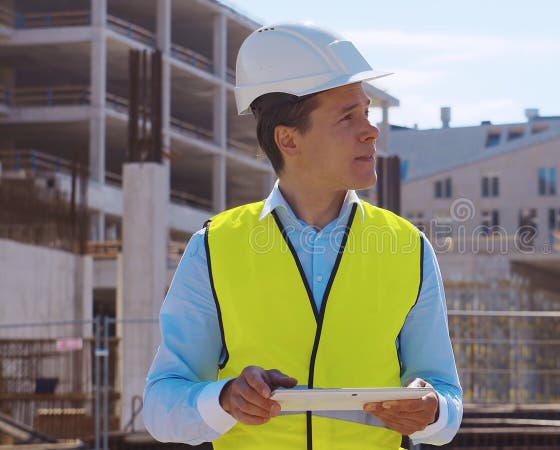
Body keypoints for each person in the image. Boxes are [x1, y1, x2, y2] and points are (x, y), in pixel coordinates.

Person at [142, 23, 462, 449]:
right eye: (348, 117)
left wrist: (433, 411)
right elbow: (161, 405)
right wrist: (224, 399)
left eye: (366, 112)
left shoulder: (408, 248)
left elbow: (445, 395)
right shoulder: (215, 248)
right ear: (288, 139)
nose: (371, 130)